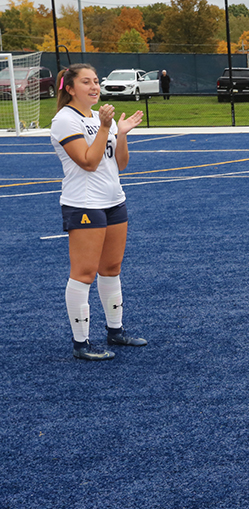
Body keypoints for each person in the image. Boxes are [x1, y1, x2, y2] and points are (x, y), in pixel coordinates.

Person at [50, 64, 147, 361]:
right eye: (86, 82)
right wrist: (106, 128)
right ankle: (81, 343)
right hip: (84, 204)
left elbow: (120, 164)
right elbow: (88, 162)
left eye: (96, 81)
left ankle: (115, 331)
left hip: (113, 200)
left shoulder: (97, 116)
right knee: (83, 273)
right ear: (69, 88)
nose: (94, 87)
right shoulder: (65, 120)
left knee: (111, 268)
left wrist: (123, 133)